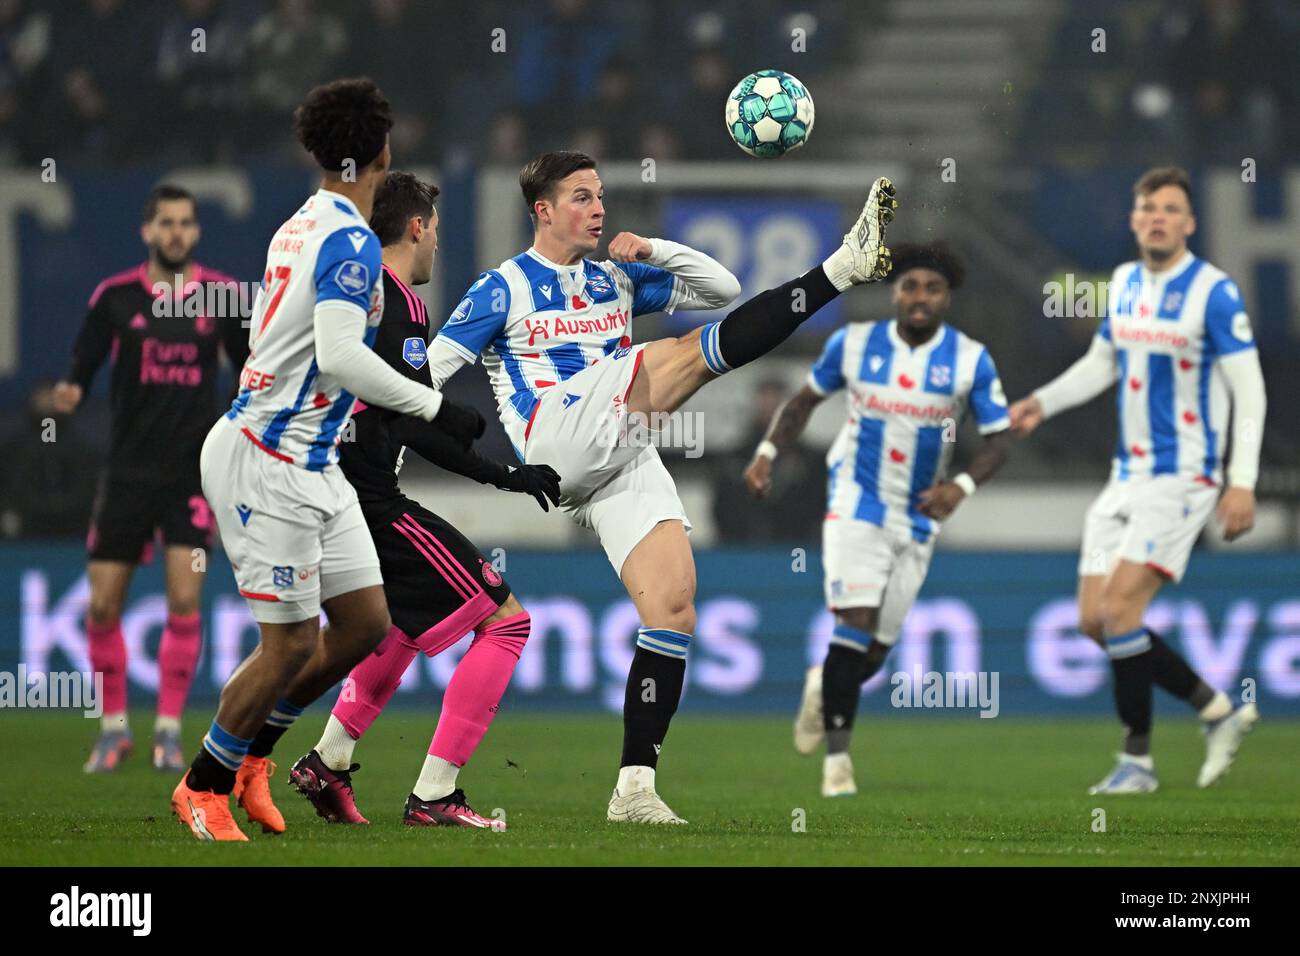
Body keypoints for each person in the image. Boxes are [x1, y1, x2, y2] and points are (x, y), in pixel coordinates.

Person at [423, 149, 897, 822]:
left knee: (673, 607)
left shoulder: (613, 277)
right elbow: (431, 373)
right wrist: (422, 442)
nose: (599, 208)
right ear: (544, 211)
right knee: (682, 356)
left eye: (600, 195)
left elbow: (724, 287)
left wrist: (657, 249)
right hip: (555, 431)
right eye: (582, 197)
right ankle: (842, 268)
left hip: (620, 447)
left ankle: (634, 789)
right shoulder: (503, 288)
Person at [170, 78, 483, 841]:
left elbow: (292, 341)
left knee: (363, 624)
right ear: (383, 150)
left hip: (312, 461)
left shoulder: (304, 221)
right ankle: (203, 784)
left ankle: (250, 757)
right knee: (290, 643)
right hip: (267, 456)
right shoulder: (345, 240)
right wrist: (436, 404)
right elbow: (343, 356)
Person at [288, 171, 561, 829]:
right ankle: (435, 795)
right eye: (434, 230)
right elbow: (411, 424)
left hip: (312, 488)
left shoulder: (343, 292)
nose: (436, 243)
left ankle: (327, 762)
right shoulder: (399, 302)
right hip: (368, 500)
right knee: (507, 621)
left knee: (397, 627)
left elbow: (394, 413)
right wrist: (504, 474)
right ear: (416, 228)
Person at [1009, 166, 1266, 794]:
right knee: (1094, 621)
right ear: (1133, 219)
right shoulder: (1123, 283)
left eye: (1170, 208)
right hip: (1126, 477)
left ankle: (1138, 763)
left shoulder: (1214, 293)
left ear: (1189, 222)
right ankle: (1218, 711)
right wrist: (1042, 401)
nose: (1157, 217)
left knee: (1121, 608)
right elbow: (1102, 363)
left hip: (1184, 477)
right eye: (1147, 206)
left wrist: (1241, 481)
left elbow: (1249, 388)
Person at [744, 242, 1011, 797]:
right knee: (855, 621)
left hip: (918, 518)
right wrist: (768, 453)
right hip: (856, 502)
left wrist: (960, 486)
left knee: (872, 653)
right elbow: (802, 404)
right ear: (895, 291)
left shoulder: (970, 359)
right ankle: (837, 766)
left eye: (931, 289)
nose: (919, 297)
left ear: (947, 297)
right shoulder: (855, 343)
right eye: (910, 286)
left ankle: (824, 685)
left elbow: (999, 441)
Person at [53, 184, 247, 773]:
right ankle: (114, 731)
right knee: (104, 608)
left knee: (184, 600)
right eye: (166, 222)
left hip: (191, 479)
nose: (176, 233)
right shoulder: (115, 298)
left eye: (186, 223)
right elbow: (81, 367)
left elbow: (250, 370)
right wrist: (69, 393)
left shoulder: (221, 297)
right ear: (147, 231)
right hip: (127, 476)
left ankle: (166, 730)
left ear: (195, 232)